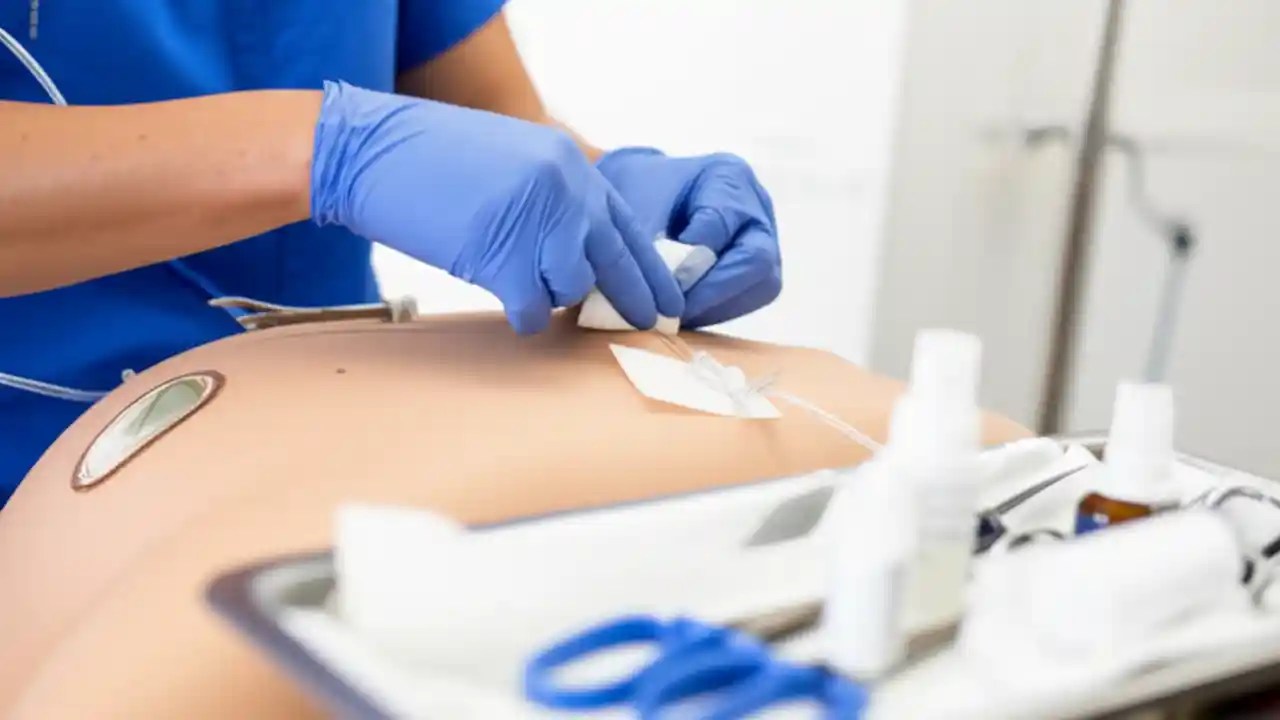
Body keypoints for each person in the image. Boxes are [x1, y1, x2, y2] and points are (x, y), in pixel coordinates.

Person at [0, 2, 782, 506]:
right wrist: (325, 154)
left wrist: (614, 190)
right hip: (37, 477)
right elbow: (383, 154)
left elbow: (494, 117)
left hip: (312, 459)